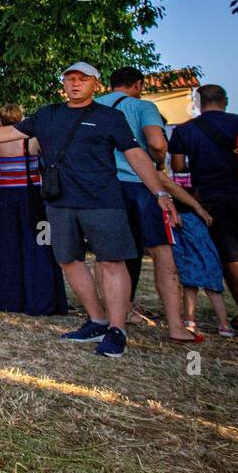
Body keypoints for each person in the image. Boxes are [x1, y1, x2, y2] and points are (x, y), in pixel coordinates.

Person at [0, 62, 180, 357]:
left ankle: (117, 329)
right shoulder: (48, 115)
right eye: (70, 78)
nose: (75, 84)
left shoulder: (110, 117)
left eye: (82, 79)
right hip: (59, 201)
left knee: (111, 263)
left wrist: (159, 192)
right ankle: (96, 319)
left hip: (102, 201)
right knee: (69, 260)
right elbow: (10, 133)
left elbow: (136, 155)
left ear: (96, 83)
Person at [96, 68, 172, 316]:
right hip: (138, 184)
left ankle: (108, 307)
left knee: (106, 251)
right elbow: (157, 143)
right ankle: (175, 320)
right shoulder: (144, 107)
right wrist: (159, 164)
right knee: (159, 249)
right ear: (138, 84)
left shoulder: (93, 106)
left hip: (102, 185)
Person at [169, 84, 238, 328]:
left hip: (210, 196)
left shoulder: (184, 130)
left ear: (198, 102)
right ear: (226, 100)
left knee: (229, 255)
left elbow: (178, 167)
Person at [0, 104, 67, 316]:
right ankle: (42, 298)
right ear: (21, 117)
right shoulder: (33, 139)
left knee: (8, 247)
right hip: (32, 196)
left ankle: (10, 299)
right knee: (40, 245)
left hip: (6, 196)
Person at [161, 172, 234, 338]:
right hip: (209, 261)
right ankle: (224, 324)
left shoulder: (180, 219)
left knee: (190, 288)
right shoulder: (202, 218)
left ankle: (190, 321)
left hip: (189, 261)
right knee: (214, 291)